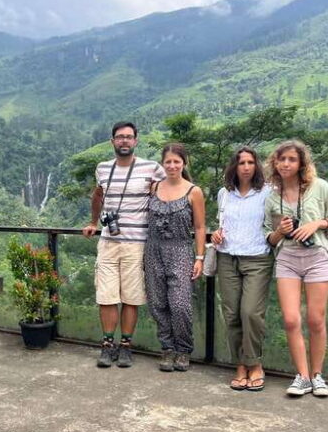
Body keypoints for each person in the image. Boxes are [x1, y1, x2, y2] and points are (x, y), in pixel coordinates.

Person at [264, 139, 328, 397]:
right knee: (291, 320)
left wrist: (317, 224)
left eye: (292, 159)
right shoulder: (272, 197)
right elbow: (269, 238)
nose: (286, 164)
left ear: (301, 163)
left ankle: (317, 375)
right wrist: (280, 231)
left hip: (316, 257)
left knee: (315, 319)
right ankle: (302, 376)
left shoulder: (319, 187)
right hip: (287, 258)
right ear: (275, 163)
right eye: (282, 159)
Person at [82, 122, 165, 368]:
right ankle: (108, 345)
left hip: (136, 244)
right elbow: (98, 195)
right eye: (120, 137)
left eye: (129, 137)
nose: (124, 141)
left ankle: (126, 345)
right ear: (112, 141)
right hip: (108, 242)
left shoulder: (152, 168)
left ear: (136, 141)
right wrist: (93, 222)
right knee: (106, 296)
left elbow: (169, 191)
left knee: (131, 297)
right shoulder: (102, 168)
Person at [211, 147, 273, 391]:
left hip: (257, 258)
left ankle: (254, 363)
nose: (246, 167)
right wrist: (216, 234)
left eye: (250, 162)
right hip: (227, 257)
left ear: (256, 165)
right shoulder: (224, 194)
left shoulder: (268, 192)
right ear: (234, 167)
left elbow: (273, 224)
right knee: (232, 315)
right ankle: (240, 365)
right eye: (241, 163)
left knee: (250, 312)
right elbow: (222, 223)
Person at [144, 143, 206, 372]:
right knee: (157, 302)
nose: (172, 166)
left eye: (176, 161)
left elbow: (199, 227)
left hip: (180, 250)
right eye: (168, 162)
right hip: (153, 250)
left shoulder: (193, 192)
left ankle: (184, 349)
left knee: (180, 304)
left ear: (184, 163)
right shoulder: (154, 188)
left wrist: (199, 257)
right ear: (163, 164)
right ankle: (167, 348)